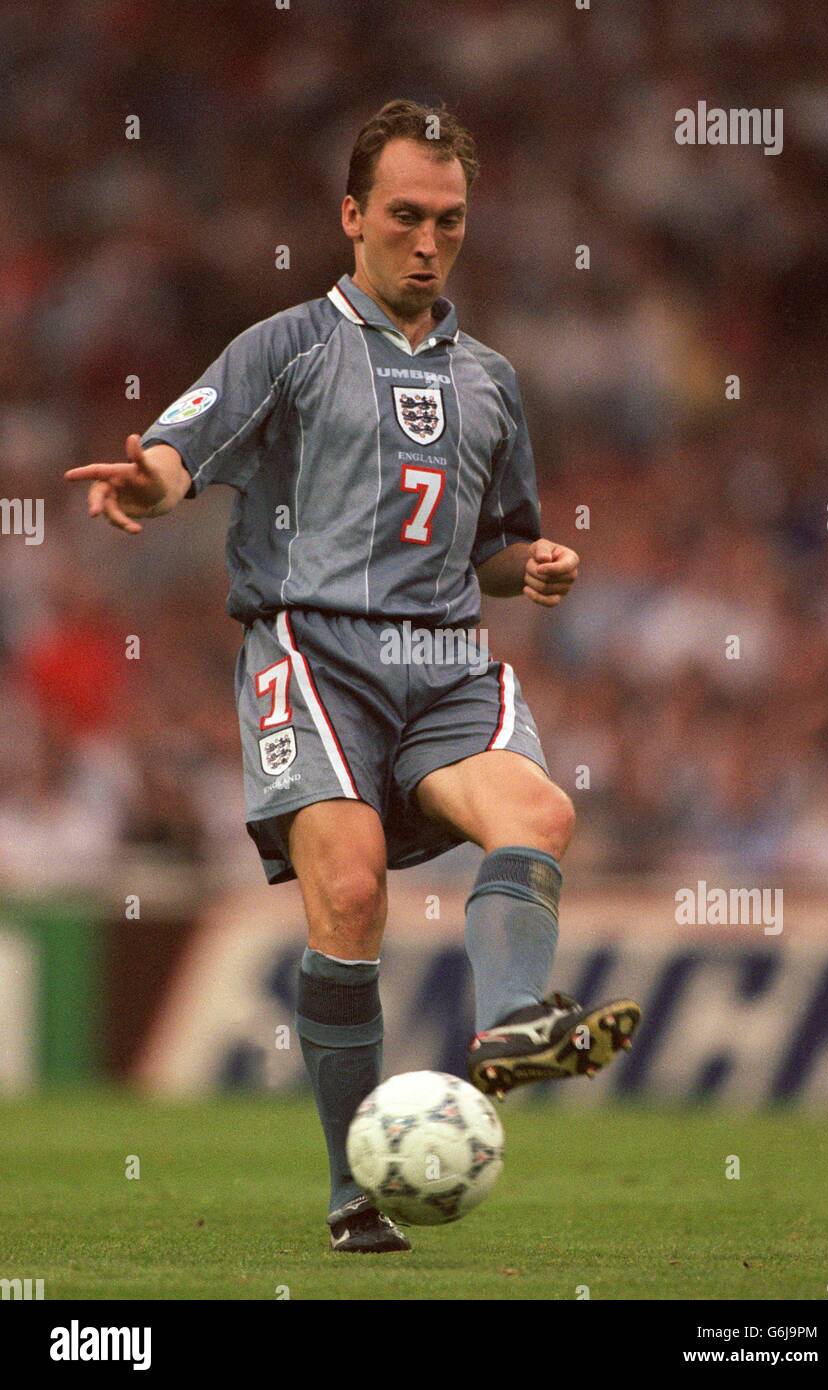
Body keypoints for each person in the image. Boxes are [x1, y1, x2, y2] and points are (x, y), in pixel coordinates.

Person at [66, 100, 640, 1253]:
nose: (428, 240)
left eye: (450, 220)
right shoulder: (285, 344)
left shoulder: (490, 381)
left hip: (441, 659)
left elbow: (493, 539)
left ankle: (512, 1026)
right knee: (354, 890)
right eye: (405, 216)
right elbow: (184, 447)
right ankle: (352, 1192)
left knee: (541, 810)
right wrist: (148, 485)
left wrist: (537, 563)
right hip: (313, 650)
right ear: (352, 216)